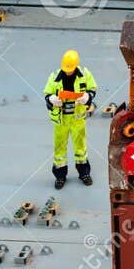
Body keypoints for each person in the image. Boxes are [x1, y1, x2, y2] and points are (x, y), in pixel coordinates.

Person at [43, 50, 97, 190]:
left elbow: (92, 89)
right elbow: (47, 93)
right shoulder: (54, 77)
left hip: (77, 119)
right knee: (59, 149)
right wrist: (51, 99)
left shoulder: (85, 74)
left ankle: (84, 173)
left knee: (81, 149)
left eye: (70, 70)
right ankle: (60, 176)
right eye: (66, 69)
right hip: (61, 120)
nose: (68, 72)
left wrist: (88, 97)